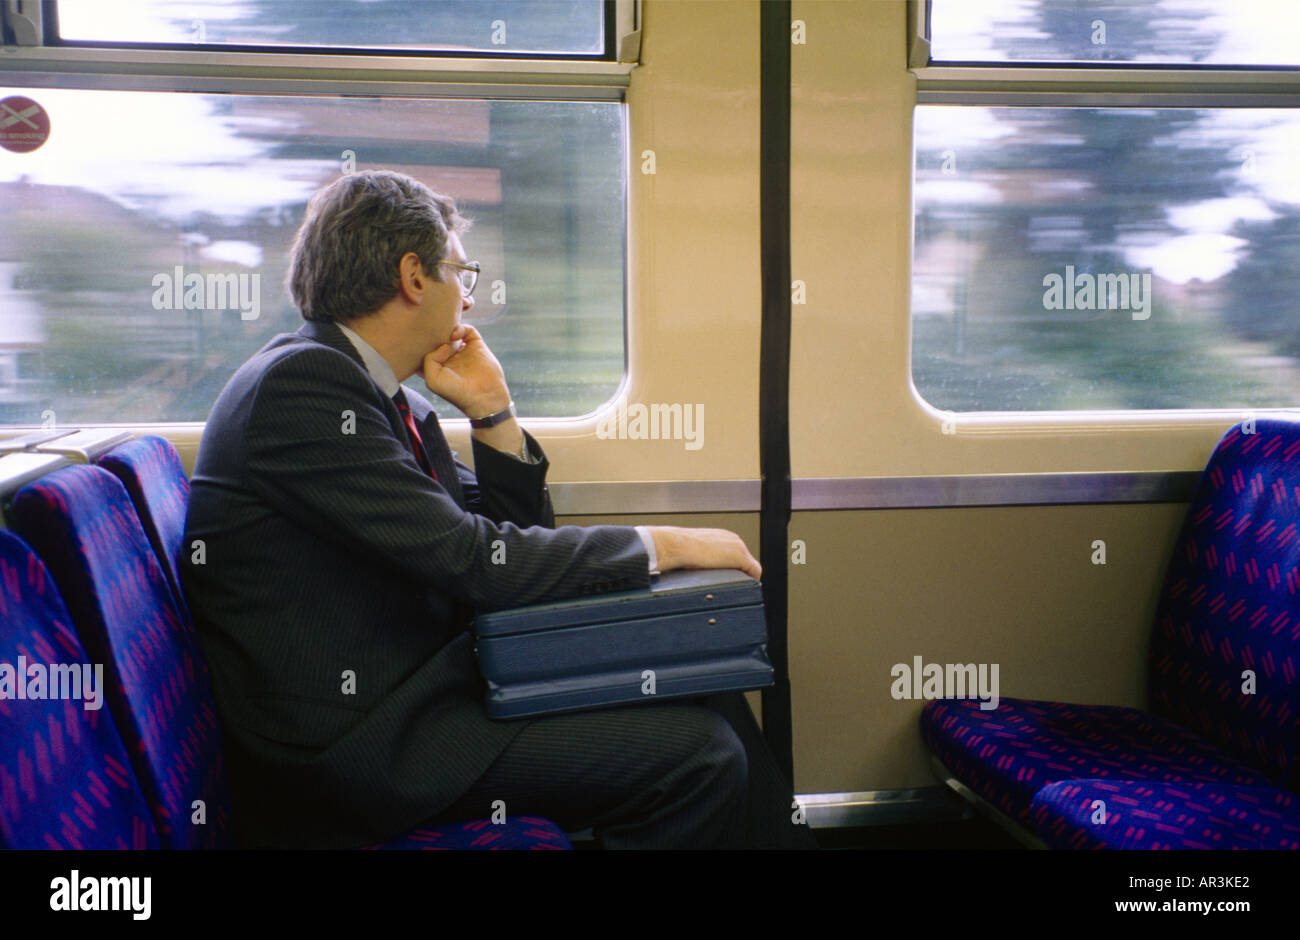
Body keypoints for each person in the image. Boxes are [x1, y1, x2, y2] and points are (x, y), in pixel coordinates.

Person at [182, 169, 816, 850]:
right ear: (414, 277)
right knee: (699, 757)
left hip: (416, 696)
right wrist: (662, 543)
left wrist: (493, 414)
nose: (469, 299)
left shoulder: (383, 393)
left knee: (694, 675)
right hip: (357, 747)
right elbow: (476, 562)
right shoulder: (302, 389)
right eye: (463, 273)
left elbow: (508, 540)